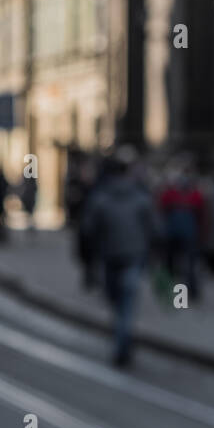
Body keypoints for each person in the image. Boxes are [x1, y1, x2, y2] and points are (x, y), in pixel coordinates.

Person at [80, 149, 161, 367]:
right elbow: (155, 228)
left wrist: (91, 256)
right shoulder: (141, 197)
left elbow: (88, 229)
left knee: (116, 301)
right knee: (127, 302)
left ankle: (121, 341)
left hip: (109, 256)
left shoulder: (100, 197)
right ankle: (123, 340)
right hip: (134, 255)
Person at [157, 154, 206, 301]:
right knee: (170, 264)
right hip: (171, 234)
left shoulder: (196, 194)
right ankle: (167, 290)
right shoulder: (169, 193)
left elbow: (202, 215)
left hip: (189, 234)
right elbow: (160, 211)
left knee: (190, 265)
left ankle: (191, 292)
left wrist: (202, 233)